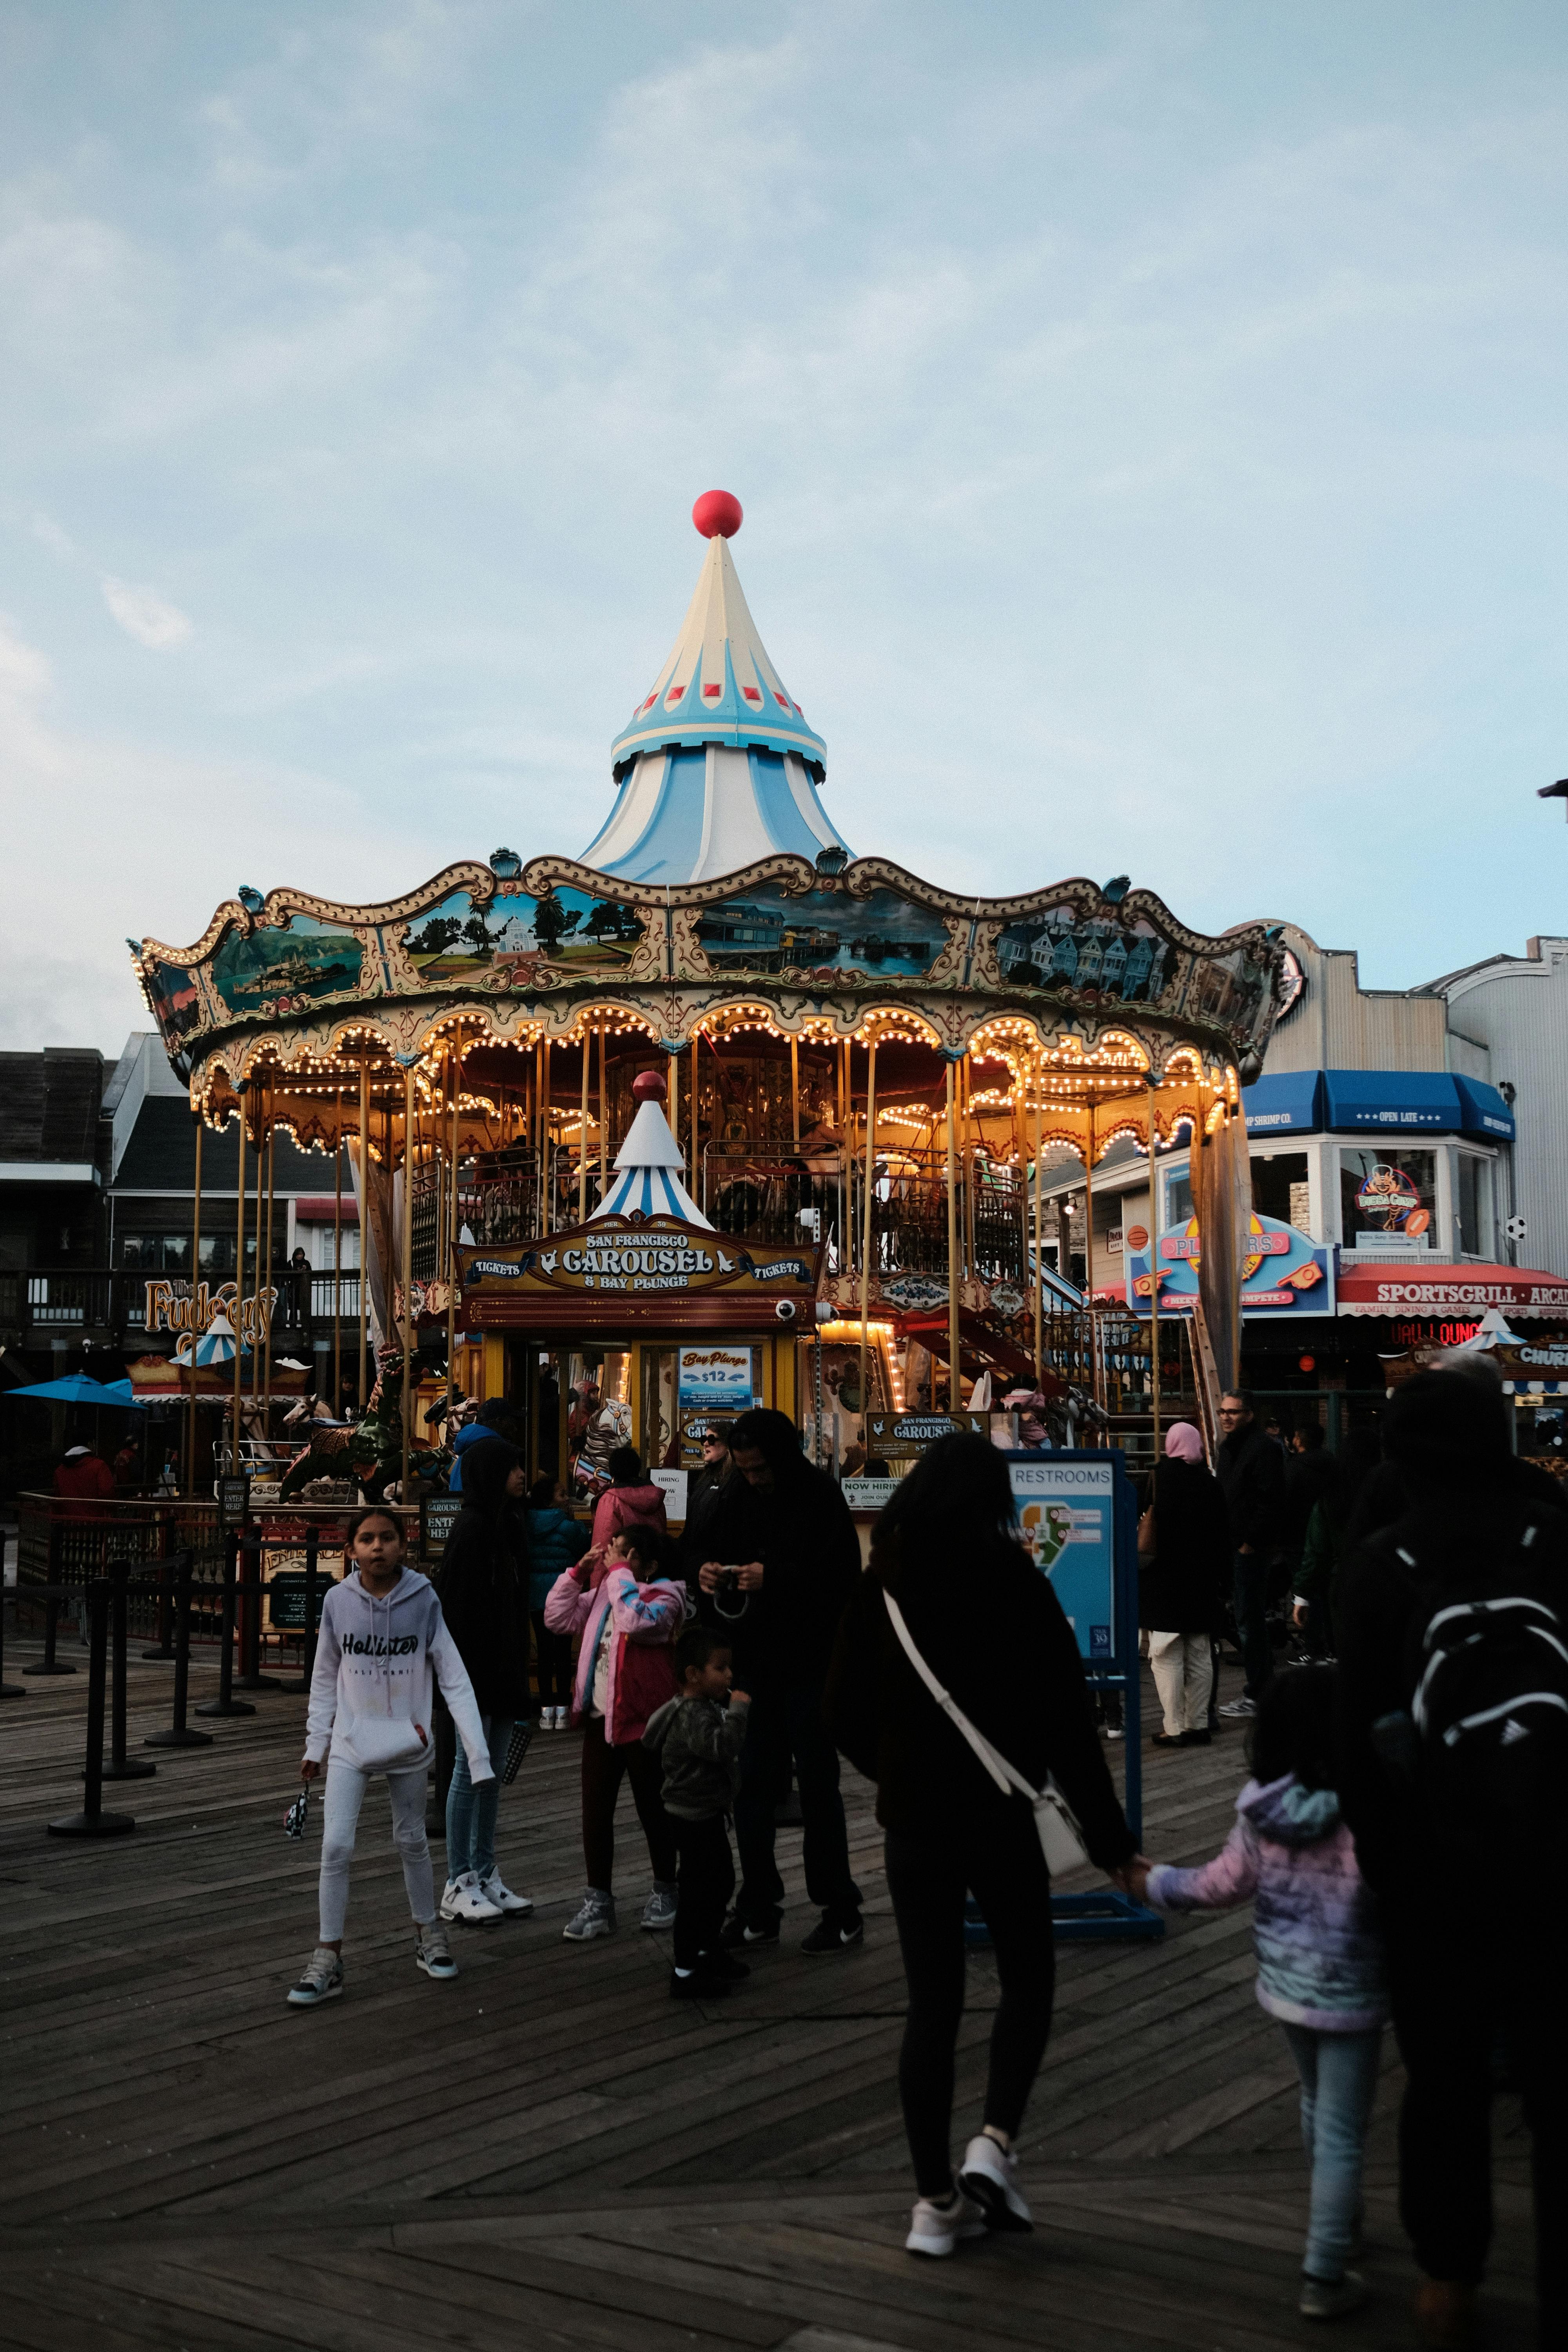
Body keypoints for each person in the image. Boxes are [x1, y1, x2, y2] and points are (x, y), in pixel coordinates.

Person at [825, 1434, 1140, 2257]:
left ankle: (933, 2205)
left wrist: (896, 1769)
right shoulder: (1018, 1582)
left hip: (915, 1825)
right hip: (1003, 1819)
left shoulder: (881, 1584)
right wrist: (1113, 1845)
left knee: (932, 2005)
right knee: (1027, 1980)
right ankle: (993, 2144)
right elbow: (1068, 1728)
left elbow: (841, 1711)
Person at [1334, 1370, 1568, 2350]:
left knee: (1443, 2077)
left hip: (1432, 1876)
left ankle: (1448, 2273)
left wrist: (1389, 1865)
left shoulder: (1379, 1565)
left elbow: (1355, 1742)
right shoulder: (1555, 1542)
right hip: (1556, 1863)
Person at [1134, 1667, 1385, 2321]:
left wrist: (1154, 1882)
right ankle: (1325, 2269)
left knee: (1315, 2104)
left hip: (1286, 1986)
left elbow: (1219, 1884)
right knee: (1343, 2131)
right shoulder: (1369, 1809)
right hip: (1351, 1990)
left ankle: (1341, 2219)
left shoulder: (1261, 1809)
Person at [286, 1506, 495, 2007]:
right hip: (351, 1742)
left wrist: (478, 1755)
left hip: (408, 1741)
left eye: (386, 1537)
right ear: (350, 1550)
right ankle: (328, 1954)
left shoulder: (424, 1599)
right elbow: (324, 1677)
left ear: (404, 1544)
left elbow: (453, 1676)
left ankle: (428, 1933)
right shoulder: (337, 1602)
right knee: (335, 1847)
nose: (377, 1547)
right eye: (366, 1539)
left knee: (412, 1839)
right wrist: (316, 1744)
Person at [693, 1405, 864, 1955]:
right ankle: (758, 1905)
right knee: (751, 1788)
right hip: (754, 1667)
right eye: (744, 1469)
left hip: (811, 1666)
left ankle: (839, 1908)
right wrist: (707, 1572)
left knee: (817, 1787)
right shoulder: (736, 1497)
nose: (753, 1478)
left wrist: (777, 1577)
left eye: (760, 1468)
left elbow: (842, 1577)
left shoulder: (819, 1496)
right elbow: (702, 1547)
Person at [544, 1522, 688, 1941]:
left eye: (624, 1553)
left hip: (644, 1723)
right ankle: (598, 1900)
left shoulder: (666, 1597)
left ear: (650, 1565)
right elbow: (557, 1618)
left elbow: (636, 1622)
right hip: (600, 1719)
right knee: (595, 1812)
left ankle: (666, 1889)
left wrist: (619, 1574)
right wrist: (577, 1574)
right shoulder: (605, 1594)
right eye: (613, 1551)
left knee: (653, 1809)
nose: (613, 1560)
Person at [436, 1437, 535, 1925]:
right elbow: (457, 1609)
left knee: (491, 1771)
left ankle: (484, 1869)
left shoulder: (507, 1523)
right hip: (475, 1670)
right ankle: (459, 1878)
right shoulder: (473, 1529)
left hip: (503, 1666)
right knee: (467, 1769)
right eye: (512, 1467)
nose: (521, 1474)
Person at [642, 1625, 752, 2001]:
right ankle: (686, 1971)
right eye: (720, 1668)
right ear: (693, 1674)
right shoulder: (693, 1714)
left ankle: (707, 1950)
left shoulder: (697, 1708)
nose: (729, 1675)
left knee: (718, 1882)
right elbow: (720, 1748)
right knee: (698, 1891)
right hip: (693, 1818)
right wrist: (738, 1713)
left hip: (704, 1812)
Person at [1139, 1421, 1230, 1747]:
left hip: (1163, 1582)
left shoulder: (1157, 1479)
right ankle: (1199, 1724)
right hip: (1202, 1582)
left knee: (1167, 1657)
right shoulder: (1211, 1484)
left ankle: (1174, 1728)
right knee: (1201, 1655)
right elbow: (1223, 1535)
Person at [1215, 1390, 1285, 1719]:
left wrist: (1250, 1541)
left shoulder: (1262, 1449)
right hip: (1236, 1543)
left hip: (1249, 1546)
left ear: (1249, 1415)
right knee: (1247, 1618)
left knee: (1249, 1619)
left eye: (1233, 1412)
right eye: (1222, 1412)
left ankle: (1260, 1692)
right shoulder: (1230, 1449)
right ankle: (1261, 1690)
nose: (1226, 1417)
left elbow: (1270, 1499)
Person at [526, 1473, 588, 1726]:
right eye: (562, 1494)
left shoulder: (526, 1523)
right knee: (563, 1652)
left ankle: (545, 1711)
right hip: (563, 1596)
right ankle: (563, 1711)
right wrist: (575, 1523)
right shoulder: (568, 1526)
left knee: (544, 1652)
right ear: (549, 1500)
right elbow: (584, 1549)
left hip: (536, 1594)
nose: (567, 1499)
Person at [590, 1445, 667, 1553]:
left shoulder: (611, 1499)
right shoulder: (655, 1497)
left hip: (622, 1562)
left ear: (612, 1471)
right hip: (653, 1562)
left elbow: (602, 1545)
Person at [682, 1423, 735, 1558]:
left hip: (716, 1559)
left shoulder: (734, 1479)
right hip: (695, 1556)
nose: (705, 1444)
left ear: (727, 1445)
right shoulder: (706, 1477)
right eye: (704, 1439)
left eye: (711, 1440)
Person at [448, 1397, 518, 1494]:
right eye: (512, 1421)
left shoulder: (469, 1447)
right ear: (500, 1421)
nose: (516, 1428)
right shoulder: (493, 1450)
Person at [53, 1443, 116, 1521]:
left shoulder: (60, 1471)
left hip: (68, 1520)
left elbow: (57, 1495)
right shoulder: (99, 1466)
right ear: (90, 1445)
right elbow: (107, 1492)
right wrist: (112, 1508)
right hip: (96, 1520)